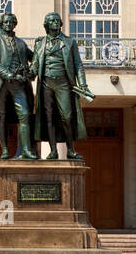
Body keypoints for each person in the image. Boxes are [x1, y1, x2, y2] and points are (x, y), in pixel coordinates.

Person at [31, 12, 95, 162]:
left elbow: (78, 65)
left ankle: (70, 149)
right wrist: (27, 74)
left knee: (67, 116)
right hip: (46, 83)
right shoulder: (40, 43)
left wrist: (83, 84)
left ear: (60, 24)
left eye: (57, 20)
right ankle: (53, 150)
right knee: (49, 117)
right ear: (46, 25)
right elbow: (35, 65)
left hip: (63, 83)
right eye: (51, 21)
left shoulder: (69, 42)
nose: (55, 23)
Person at [0, 11, 37, 159]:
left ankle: (26, 150)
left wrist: (31, 70)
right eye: (6, 22)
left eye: (11, 22)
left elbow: (34, 58)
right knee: (1, 116)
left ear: (15, 24)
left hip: (19, 84)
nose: (9, 24)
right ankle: (5, 150)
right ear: (1, 24)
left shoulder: (21, 43)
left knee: (25, 115)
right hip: (1, 83)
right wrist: (8, 74)